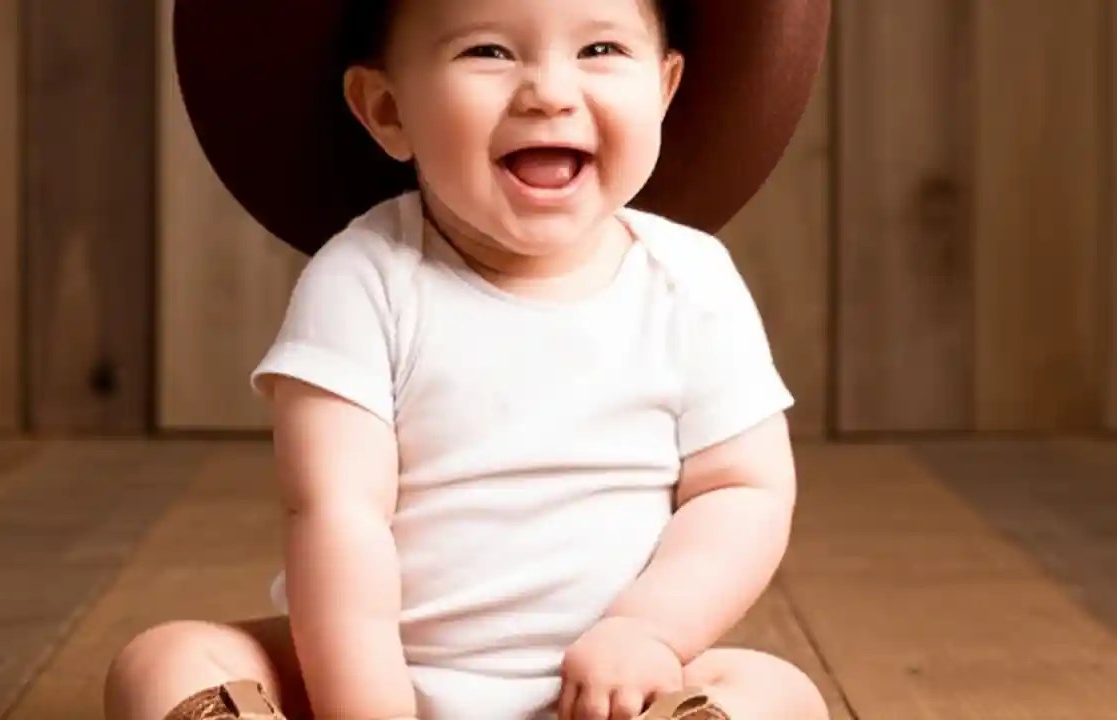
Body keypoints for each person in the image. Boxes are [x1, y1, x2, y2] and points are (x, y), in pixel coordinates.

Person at [105, 0, 830, 718]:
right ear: (387, 109)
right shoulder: (365, 279)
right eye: (488, 51)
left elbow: (740, 491)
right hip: (385, 672)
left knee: (776, 691)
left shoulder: (690, 280)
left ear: (664, 90)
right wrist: (369, 709)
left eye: (600, 50)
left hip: (611, 690)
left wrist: (649, 631)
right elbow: (336, 513)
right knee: (166, 659)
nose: (549, 93)